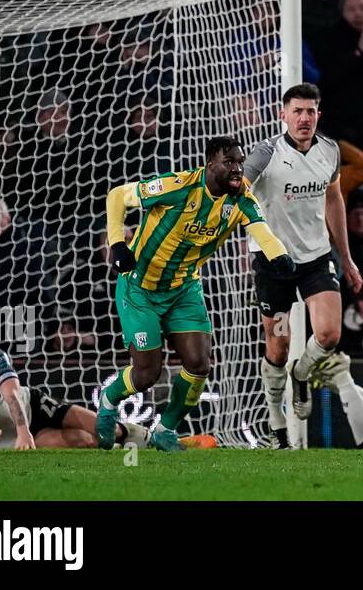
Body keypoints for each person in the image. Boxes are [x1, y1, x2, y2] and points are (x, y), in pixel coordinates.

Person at [95, 137, 294, 452]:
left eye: (240, 161)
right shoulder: (178, 187)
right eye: (229, 162)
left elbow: (263, 232)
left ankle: (164, 430)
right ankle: (108, 400)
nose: (238, 169)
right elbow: (118, 195)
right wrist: (117, 242)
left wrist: (281, 257)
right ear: (210, 163)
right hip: (140, 286)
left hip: (184, 288)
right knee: (147, 373)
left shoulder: (242, 199)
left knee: (199, 363)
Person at [243, 85, 363, 449]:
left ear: (318, 115)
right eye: (297, 111)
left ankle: (303, 373)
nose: (304, 118)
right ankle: (277, 426)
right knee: (277, 347)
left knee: (328, 335)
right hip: (273, 265)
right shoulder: (265, 154)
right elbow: (240, 193)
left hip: (316, 260)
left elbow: (333, 200)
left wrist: (346, 257)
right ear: (284, 114)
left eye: (310, 111)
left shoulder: (329, 150)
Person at [0, 331, 149, 450]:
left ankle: (149, 437)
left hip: (34, 407)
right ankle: (122, 449)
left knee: (106, 428)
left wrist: (23, 431)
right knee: (86, 440)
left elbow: (12, 394)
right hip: (8, 441)